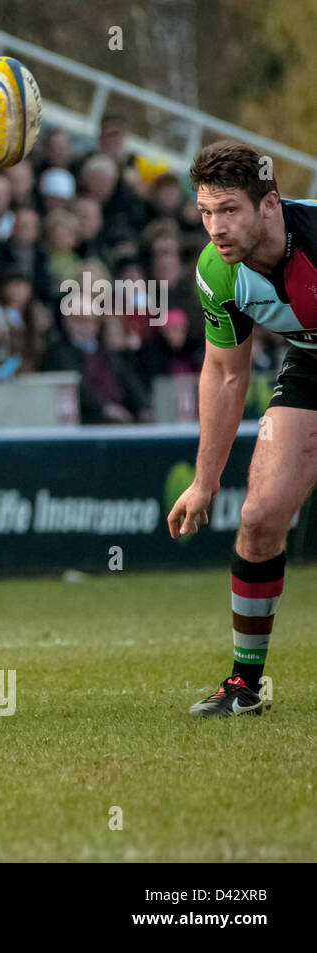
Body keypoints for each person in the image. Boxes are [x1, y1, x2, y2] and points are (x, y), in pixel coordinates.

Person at [168, 139, 317, 717]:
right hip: (310, 367)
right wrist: (204, 482)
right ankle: (244, 689)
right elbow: (227, 376)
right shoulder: (217, 273)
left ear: (270, 205)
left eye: (229, 210)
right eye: (206, 213)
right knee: (256, 519)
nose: (215, 228)